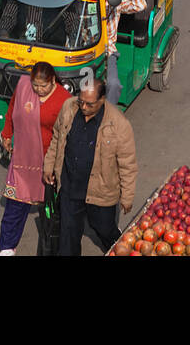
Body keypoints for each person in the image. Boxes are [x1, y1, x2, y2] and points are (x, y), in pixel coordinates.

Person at [43, 77, 137, 256]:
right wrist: (49, 165)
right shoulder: (69, 108)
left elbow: (127, 164)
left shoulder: (119, 124)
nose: (84, 107)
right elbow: (57, 137)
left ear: (102, 100)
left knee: (105, 231)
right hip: (70, 187)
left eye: (90, 104)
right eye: (81, 101)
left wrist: (127, 196)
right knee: (68, 237)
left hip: (101, 193)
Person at [0, 62, 71, 255]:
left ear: (53, 80)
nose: (38, 90)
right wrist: (7, 133)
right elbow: (12, 108)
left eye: (43, 86)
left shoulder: (64, 100)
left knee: (49, 209)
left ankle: (52, 245)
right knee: (15, 204)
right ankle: (6, 246)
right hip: (23, 158)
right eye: (35, 85)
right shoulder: (23, 87)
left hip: (47, 162)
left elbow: (66, 134)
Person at [103, 0, 147, 105]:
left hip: (107, 51)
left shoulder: (116, 3)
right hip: (85, 51)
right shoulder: (84, 2)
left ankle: (109, 114)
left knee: (114, 84)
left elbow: (140, 5)